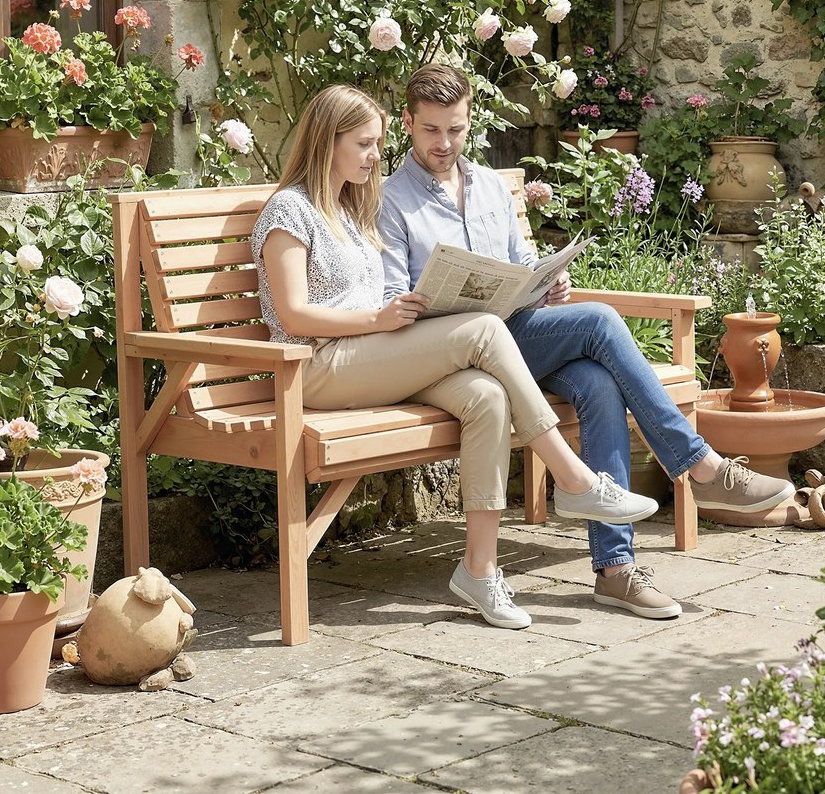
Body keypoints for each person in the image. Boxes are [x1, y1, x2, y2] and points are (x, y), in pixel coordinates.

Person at [379, 64, 795, 620]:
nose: (444, 143)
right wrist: (421, 303)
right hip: (452, 355)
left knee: (598, 384)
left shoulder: (489, 188)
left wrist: (544, 283)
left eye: (455, 129)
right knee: (599, 322)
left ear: (469, 120)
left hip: (516, 337)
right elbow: (389, 298)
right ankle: (701, 467)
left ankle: (615, 571)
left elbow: (518, 263)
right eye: (431, 130)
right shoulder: (389, 200)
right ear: (408, 123)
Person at [251, 84, 658, 631]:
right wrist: (378, 318)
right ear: (328, 142)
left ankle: (479, 570)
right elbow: (295, 315)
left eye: (377, 143)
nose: (376, 157)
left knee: (486, 396)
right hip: (316, 368)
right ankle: (574, 479)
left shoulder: (349, 207)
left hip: (374, 358)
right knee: (486, 329)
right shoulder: (289, 209)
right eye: (365, 145)